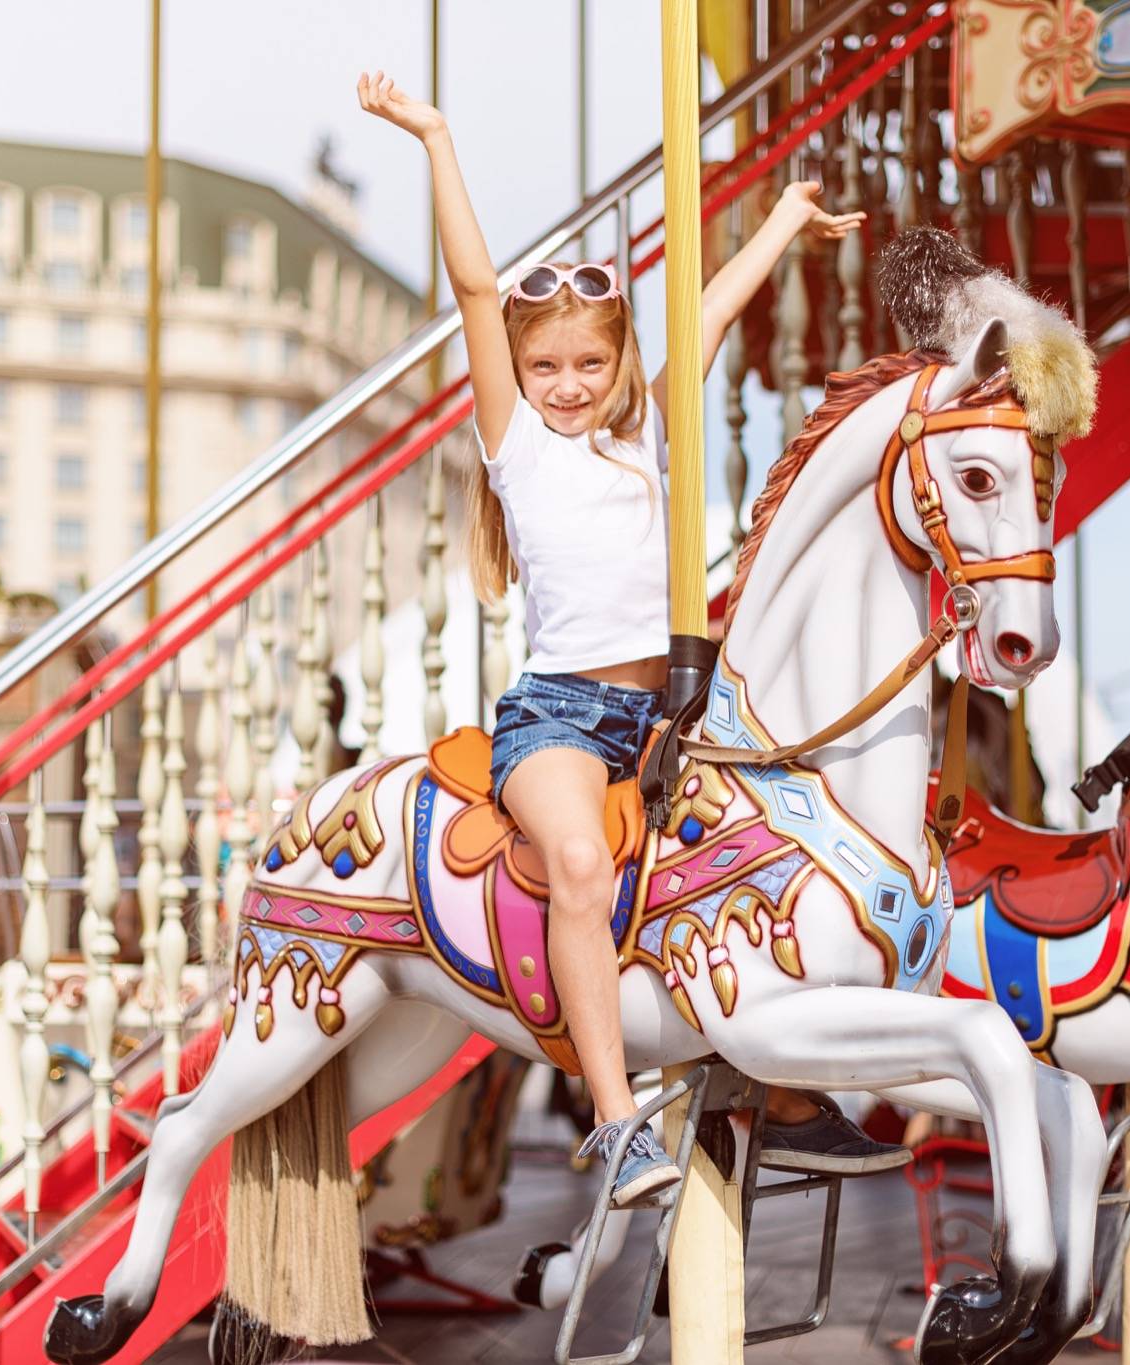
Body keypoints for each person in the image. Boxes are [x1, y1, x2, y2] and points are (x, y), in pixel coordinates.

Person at [360, 71, 887, 1204]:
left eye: (585, 366)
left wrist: (788, 222)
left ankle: (781, 1092)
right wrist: (437, 136)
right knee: (583, 868)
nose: (562, 385)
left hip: (663, 718)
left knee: (777, 855)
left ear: (617, 374)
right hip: (556, 716)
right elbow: (470, 287)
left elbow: (705, 315)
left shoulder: (639, 439)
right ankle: (609, 1119)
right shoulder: (521, 448)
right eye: (543, 367)